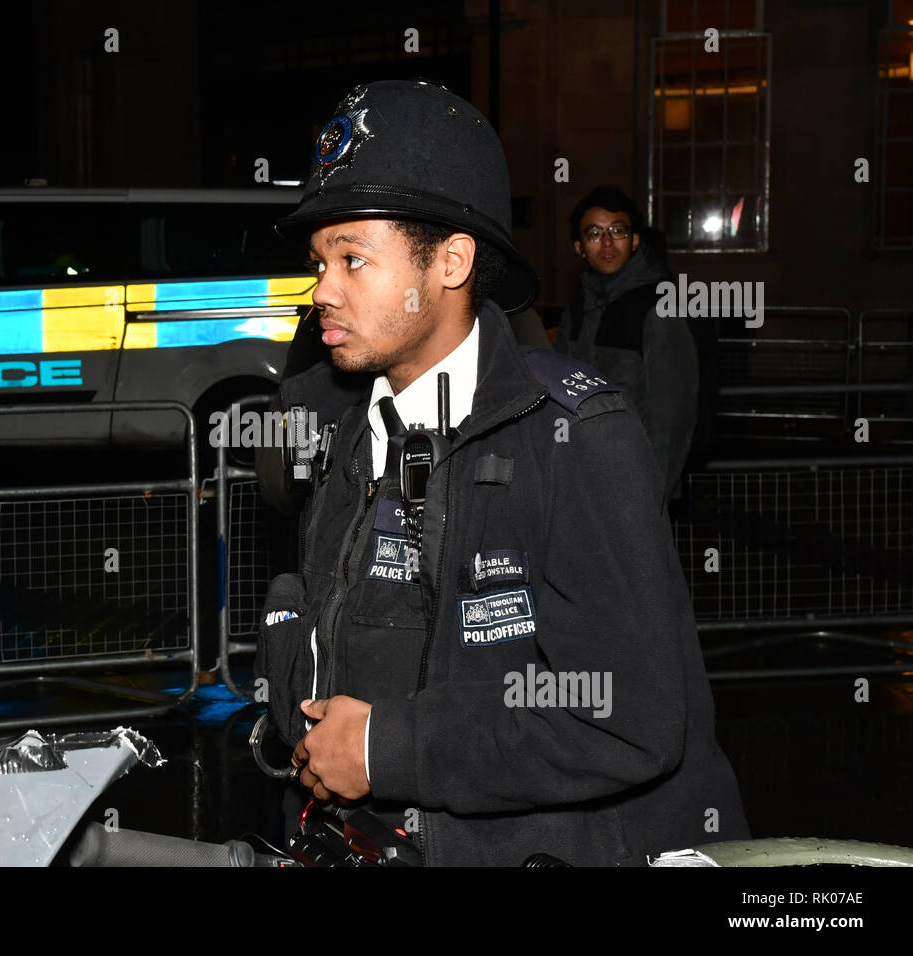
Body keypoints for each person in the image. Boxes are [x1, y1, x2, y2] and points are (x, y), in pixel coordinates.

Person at [254, 79, 747, 865]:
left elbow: (625, 717)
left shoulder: (576, 438)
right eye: (320, 261)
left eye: (353, 259)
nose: (324, 291)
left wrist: (388, 747)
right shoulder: (337, 431)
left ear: (450, 261)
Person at [554, 186, 700, 501]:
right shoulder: (576, 311)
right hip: (585, 483)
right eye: (594, 233)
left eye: (617, 231)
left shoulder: (659, 307)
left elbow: (673, 415)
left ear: (634, 241)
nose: (607, 242)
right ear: (579, 247)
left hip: (639, 488)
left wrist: (653, 497)